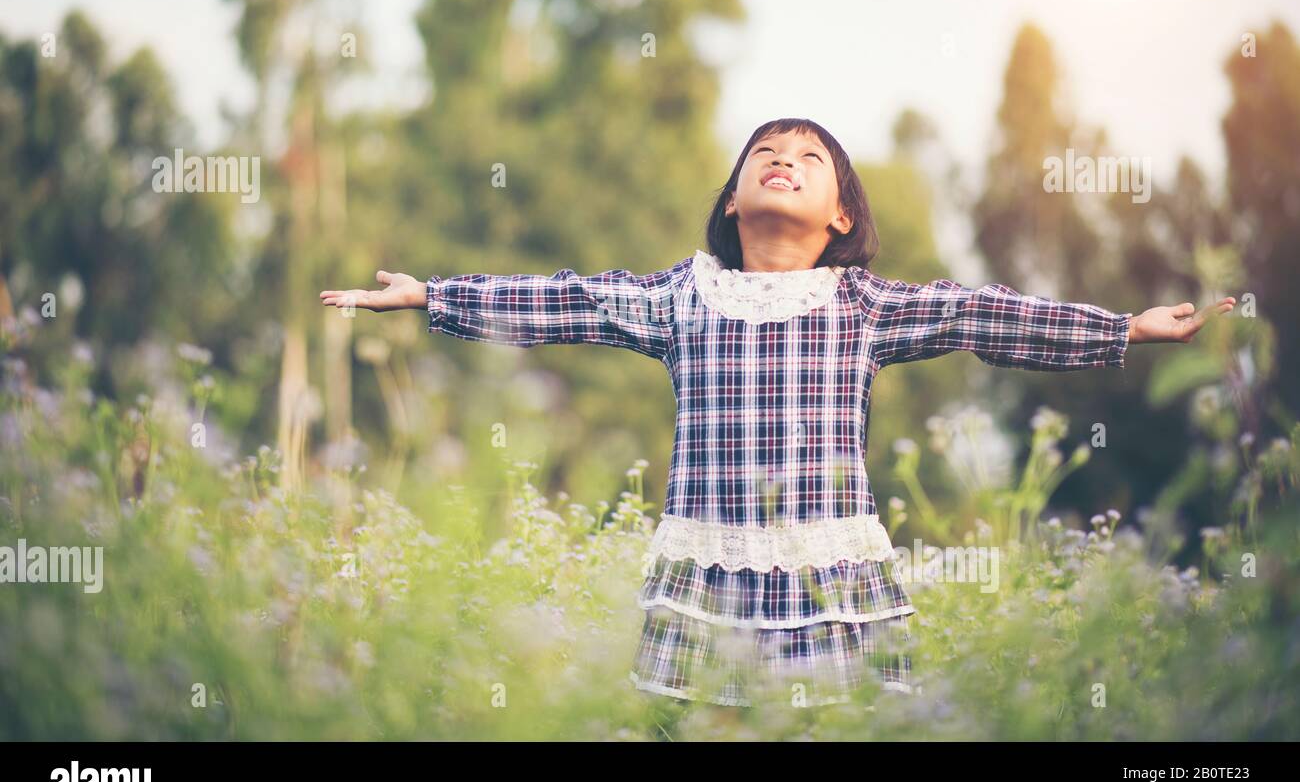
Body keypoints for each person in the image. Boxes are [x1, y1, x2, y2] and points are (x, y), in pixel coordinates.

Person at [320, 117, 1235, 709]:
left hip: (827, 583)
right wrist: (431, 296)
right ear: (732, 200)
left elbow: (982, 313)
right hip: (706, 575)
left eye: (809, 158)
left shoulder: (860, 305)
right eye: (766, 153)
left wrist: (1125, 328)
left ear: (841, 215)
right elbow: (563, 300)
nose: (784, 161)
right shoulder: (683, 296)